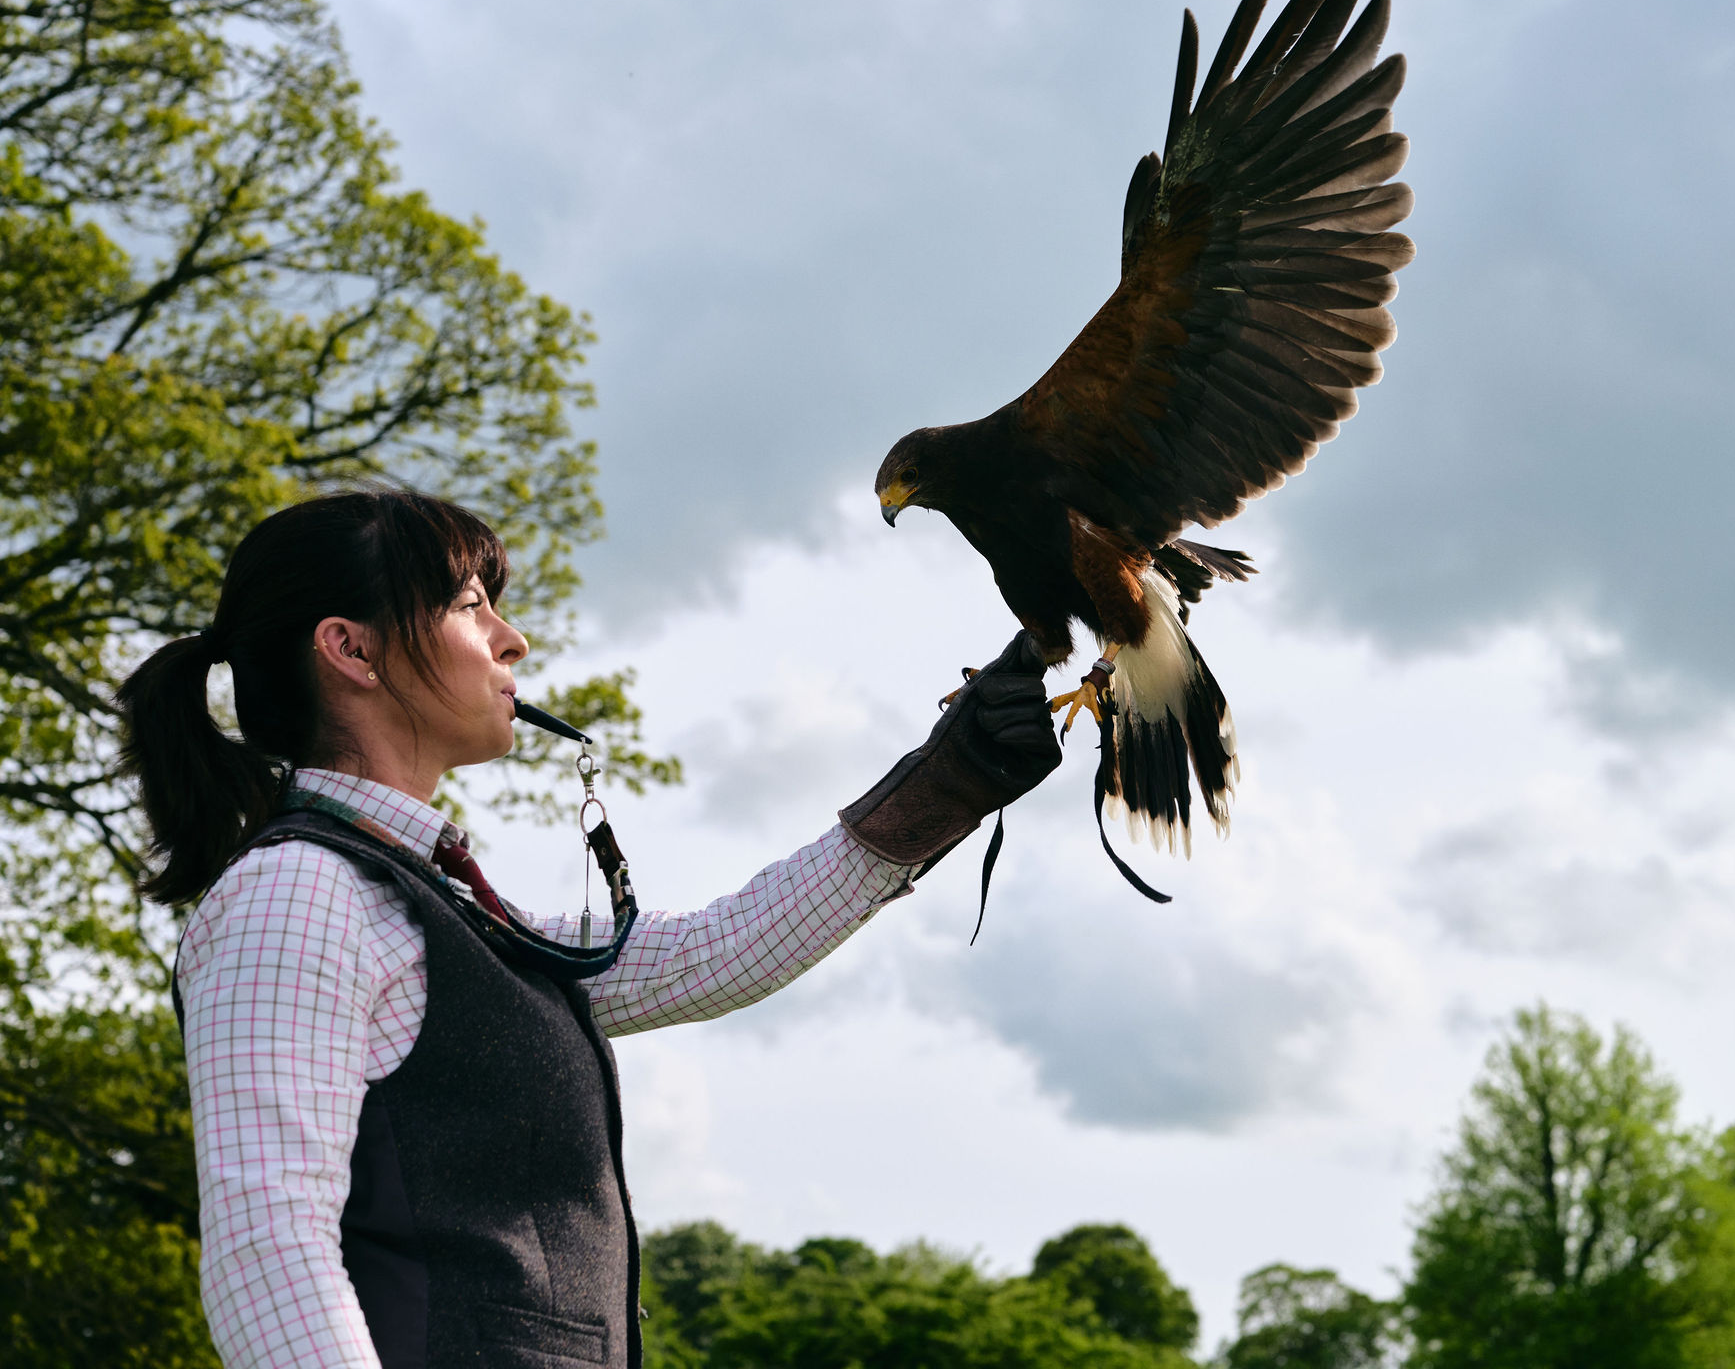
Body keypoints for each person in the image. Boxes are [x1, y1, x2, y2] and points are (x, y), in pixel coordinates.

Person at [117, 487, 1061, 1369]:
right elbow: (267, 1249)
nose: (512, 639)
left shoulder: (445, 906)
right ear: (352, 652)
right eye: (470, 604)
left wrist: (950, 780)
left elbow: (711, 955)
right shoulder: (294, 897)